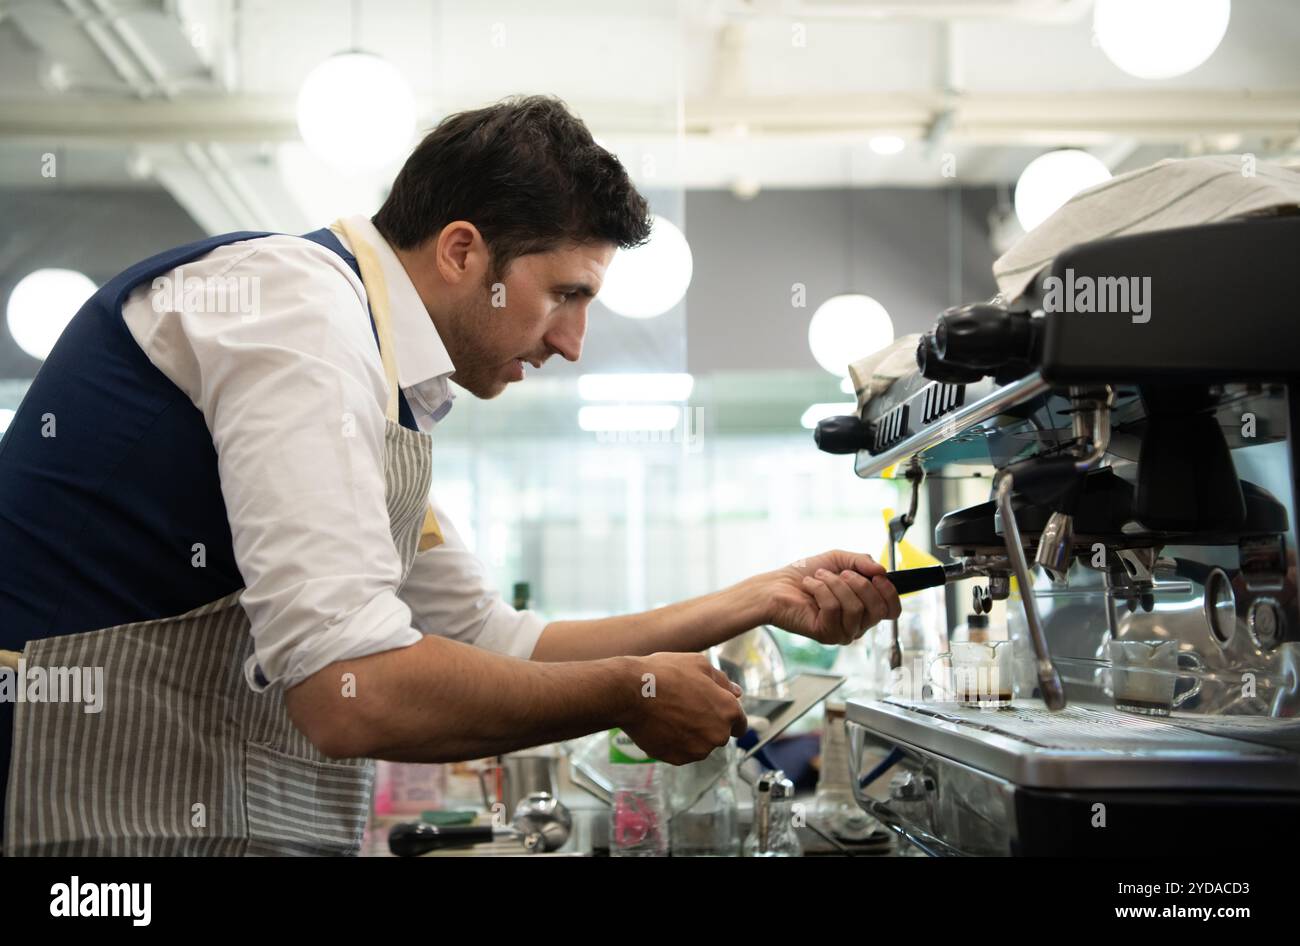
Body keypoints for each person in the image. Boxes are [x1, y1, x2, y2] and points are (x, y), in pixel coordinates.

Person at [0, 95, 899, 855]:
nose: (571, 343)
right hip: (79, 805)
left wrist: (755, 598)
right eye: (566, 294)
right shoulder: (297, 311)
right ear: (464, 251)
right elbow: (351, 690)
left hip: (186, 806)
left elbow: (488, 638)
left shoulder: (381, 373)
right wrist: (637, 690)